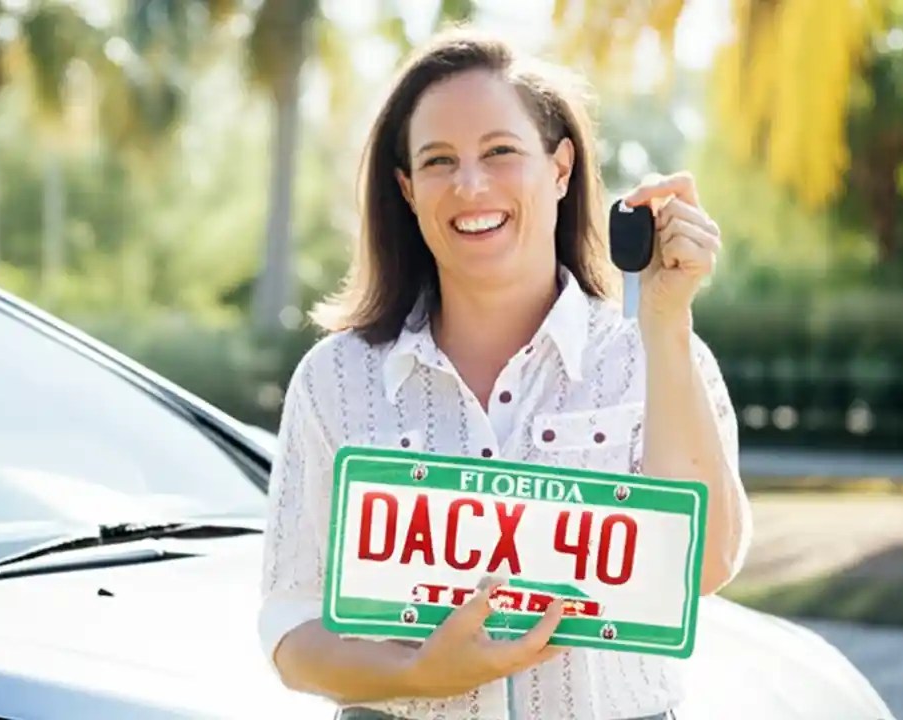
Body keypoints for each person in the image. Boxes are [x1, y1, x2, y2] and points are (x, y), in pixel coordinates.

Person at [258, 27, 753, 720]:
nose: (469, 185)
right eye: (438, 161)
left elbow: (705, 566)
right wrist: (421, 672)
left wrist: (666, 323)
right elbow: (291, 629)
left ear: (560, 169)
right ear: (406, 188)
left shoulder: (657, 354)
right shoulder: (334, 380)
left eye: (500, 152)